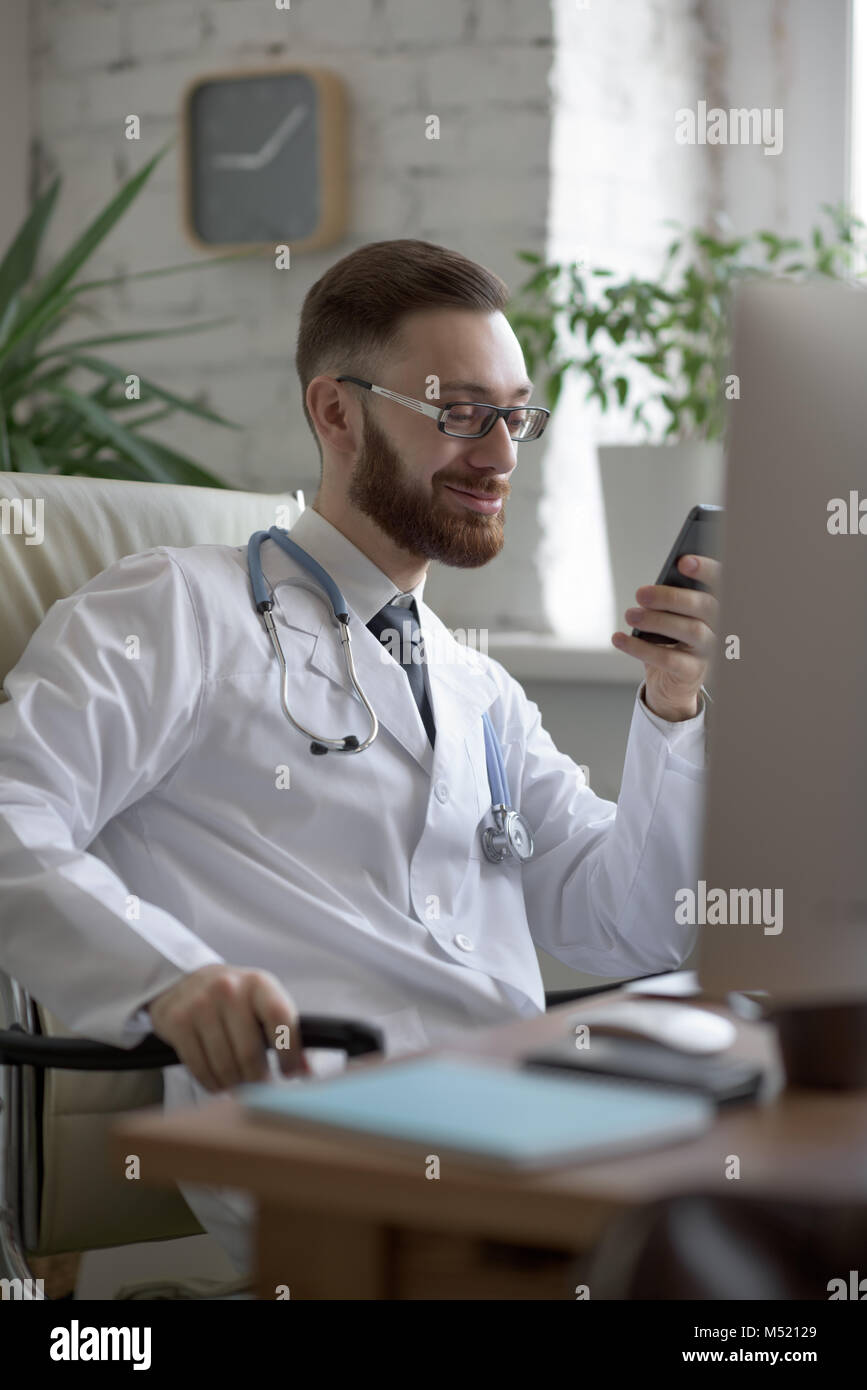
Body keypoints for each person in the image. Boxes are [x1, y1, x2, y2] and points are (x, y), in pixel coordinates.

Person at [0, 239, 718, 1277]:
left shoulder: (480, 692)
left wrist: (673, 706)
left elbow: (631, 924)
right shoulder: (177, 609)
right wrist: (169, 978)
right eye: (460, 412)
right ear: (336, 412)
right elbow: (12, 815)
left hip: (522, 1131)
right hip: (331, 1154)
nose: (503, 454)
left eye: (516, 414)